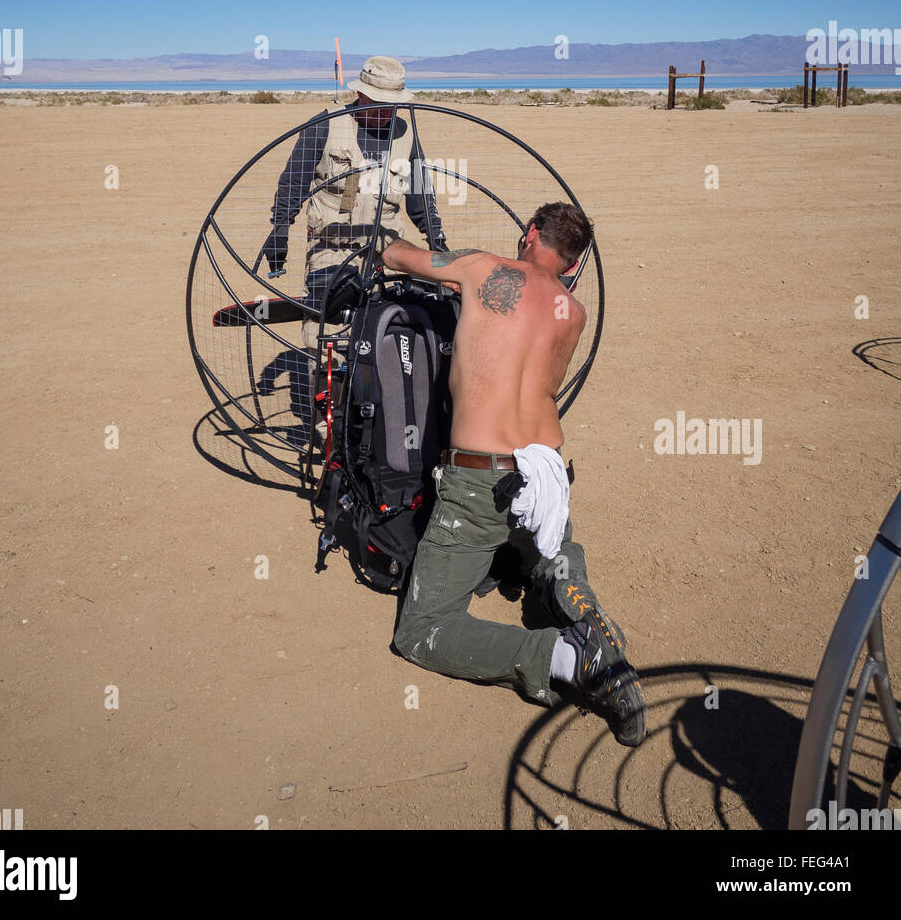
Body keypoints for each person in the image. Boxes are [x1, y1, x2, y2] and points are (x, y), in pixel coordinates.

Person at [383, 202, 646, 747]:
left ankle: (565, 657)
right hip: (546, 476)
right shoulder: (574, 312)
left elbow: (401, 258)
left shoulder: (483, 269)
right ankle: (568, 583)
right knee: (542, 550)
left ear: (530, 234)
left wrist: (384, 240)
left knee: (423, 629)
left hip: (479, 482)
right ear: (572, 265)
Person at [262, 55, 448, 425]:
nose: (385, 112)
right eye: (377, 104)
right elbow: (293, 182)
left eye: (391, 105)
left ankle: (371, 419)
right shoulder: (326, 126)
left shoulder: (406, 134)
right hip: (332, 248)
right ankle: (326, 422)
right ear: (360, 95)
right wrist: (278, 231)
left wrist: (436, 238)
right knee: (326, 334)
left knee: (381, 328)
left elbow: (419, 194)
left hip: (388, 251)